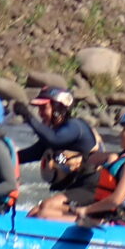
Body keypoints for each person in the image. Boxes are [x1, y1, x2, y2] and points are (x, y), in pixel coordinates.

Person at [52, 106, 125, 227]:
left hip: (114, 222)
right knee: (41, 210)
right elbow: (92, 158)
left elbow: (116, 200)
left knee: (44, 214)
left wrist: (86, 210)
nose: (121, 134)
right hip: (103, 216)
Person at [17, 87, 106, 220]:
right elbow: (29, 155)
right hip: (77, 188)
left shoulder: (75, 127)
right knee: (33, 213)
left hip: (92, 188)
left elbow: (54, 139)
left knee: (46, 209)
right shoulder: (54, 132)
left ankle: (96, 219)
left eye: (43, 108)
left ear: (58, 108)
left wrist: (27, 116)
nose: (40, 113)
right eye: (38, 109)